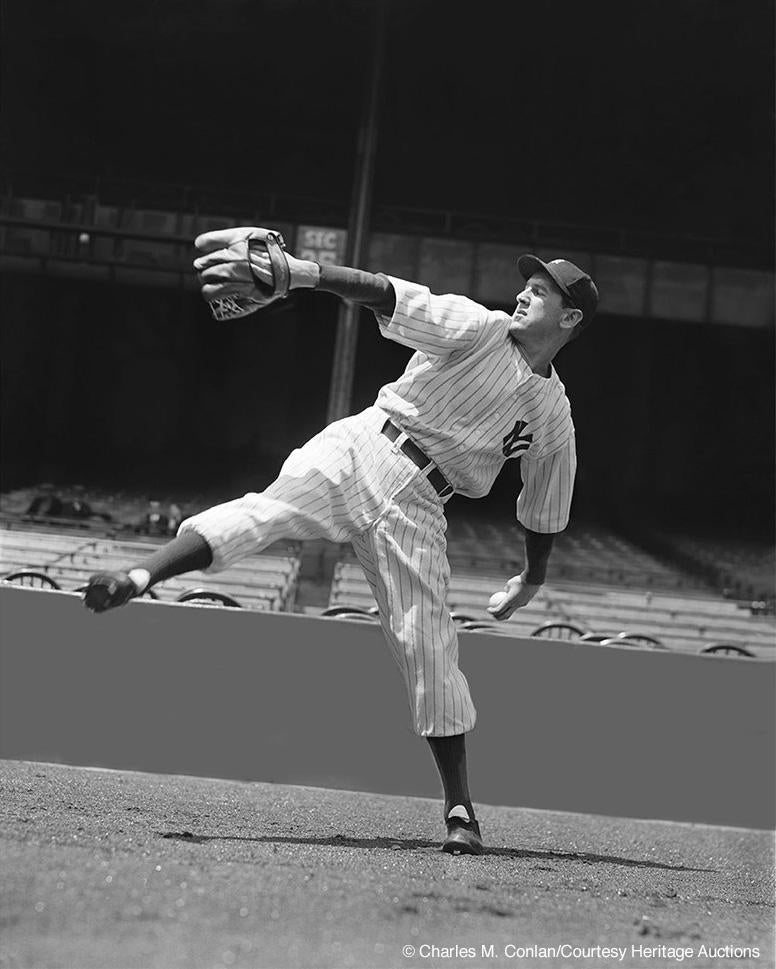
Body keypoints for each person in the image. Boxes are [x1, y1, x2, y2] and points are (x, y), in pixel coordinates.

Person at [83, 227, 599, 855]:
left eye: (541, 291)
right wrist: (302, 272)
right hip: (362, 446)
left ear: (569, 318)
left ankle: (460, 808)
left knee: (430, 644)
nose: (524, 293)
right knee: (267, 512)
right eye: (528, 282)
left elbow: (547, 502)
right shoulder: (478, 327)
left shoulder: (553, 413)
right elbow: (387, 293)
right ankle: (139, 576)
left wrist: (532, 577)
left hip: (422, 505)